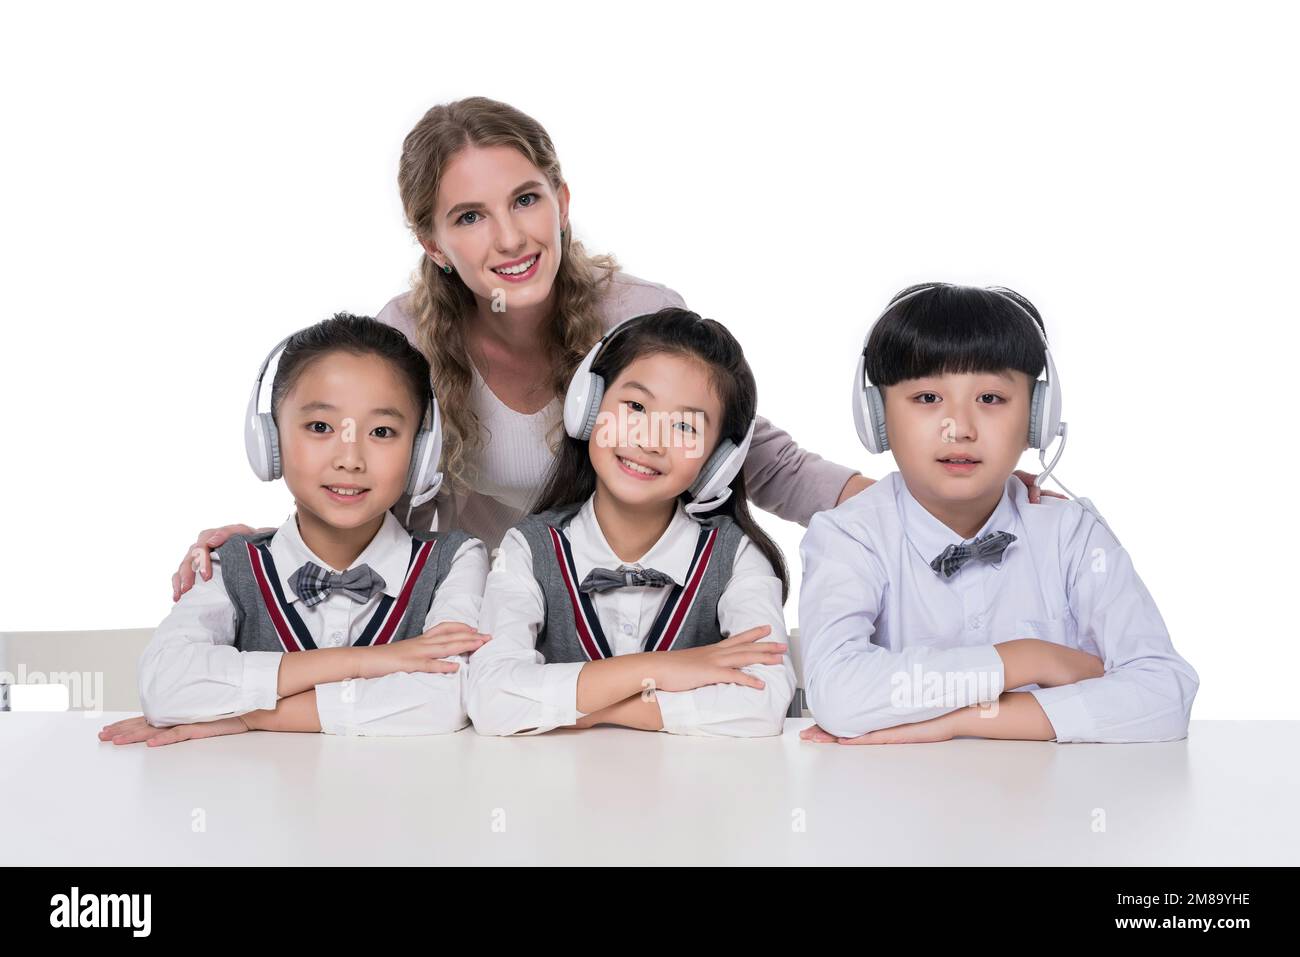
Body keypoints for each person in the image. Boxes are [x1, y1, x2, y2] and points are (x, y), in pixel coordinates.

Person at [171, 97, 1058, 601]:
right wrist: (277, 543)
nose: (509, 237)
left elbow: (756, 455)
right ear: (434, 241)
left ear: (561, 197)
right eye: (470, 217)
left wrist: (928, 499)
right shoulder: (400, 338)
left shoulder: (638, 312)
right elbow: (360, 474)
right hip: (484, 610)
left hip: (629, 596)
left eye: (525, 199)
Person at [799, 283, 1198, 745]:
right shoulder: (849, 537)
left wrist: (959, 720)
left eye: (990, 399)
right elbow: (839, 696)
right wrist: (1028, 659)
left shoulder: (1072, 535)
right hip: (900, 808)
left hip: (1049, 809)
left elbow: (1165, 694)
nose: (960, 429)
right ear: (877, 418)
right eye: (928, 398)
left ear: (1037, 417)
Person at [99, 315, 489, 746]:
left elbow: (449, 698)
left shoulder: (455, 560)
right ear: (270, 441)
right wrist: (369, 662)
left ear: (420, 451)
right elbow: (166, 688)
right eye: (320, 427)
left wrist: (251, 717)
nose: (350, 459)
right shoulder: (229, 562)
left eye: (382, 431)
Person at [467, 309, 795, 736]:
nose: (649, 440)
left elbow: (763, 702)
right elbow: (492, 699)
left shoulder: (738, 557)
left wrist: (586, 707)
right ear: (588, 408)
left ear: (719, 460)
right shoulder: (527, 548)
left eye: (684, 425)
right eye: (636, 406)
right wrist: (662, 669)